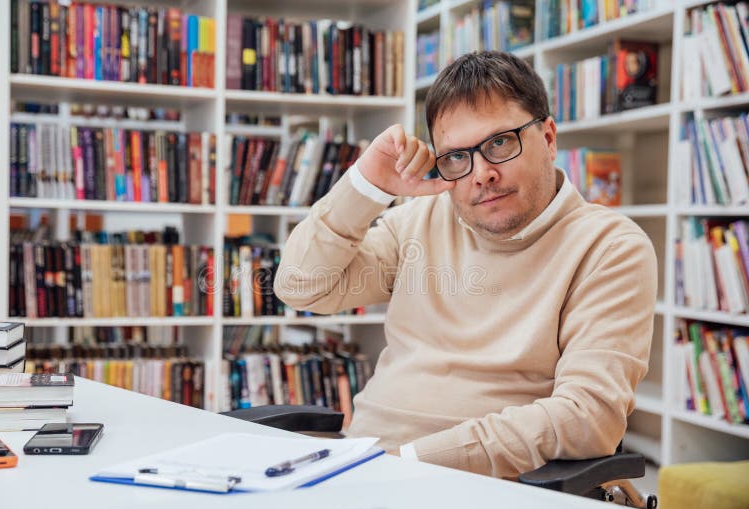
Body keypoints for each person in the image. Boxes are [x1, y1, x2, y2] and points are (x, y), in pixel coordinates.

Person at [273, 51, 657, 479]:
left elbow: (588, 418)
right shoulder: (420, 220)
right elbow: (300, 287)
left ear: (548, 139)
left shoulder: (609, 247)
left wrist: (410, 462)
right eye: (456, 157)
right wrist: (366, 185)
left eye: (499, 143)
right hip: (364, 466)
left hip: (491, 490)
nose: (481, 174)